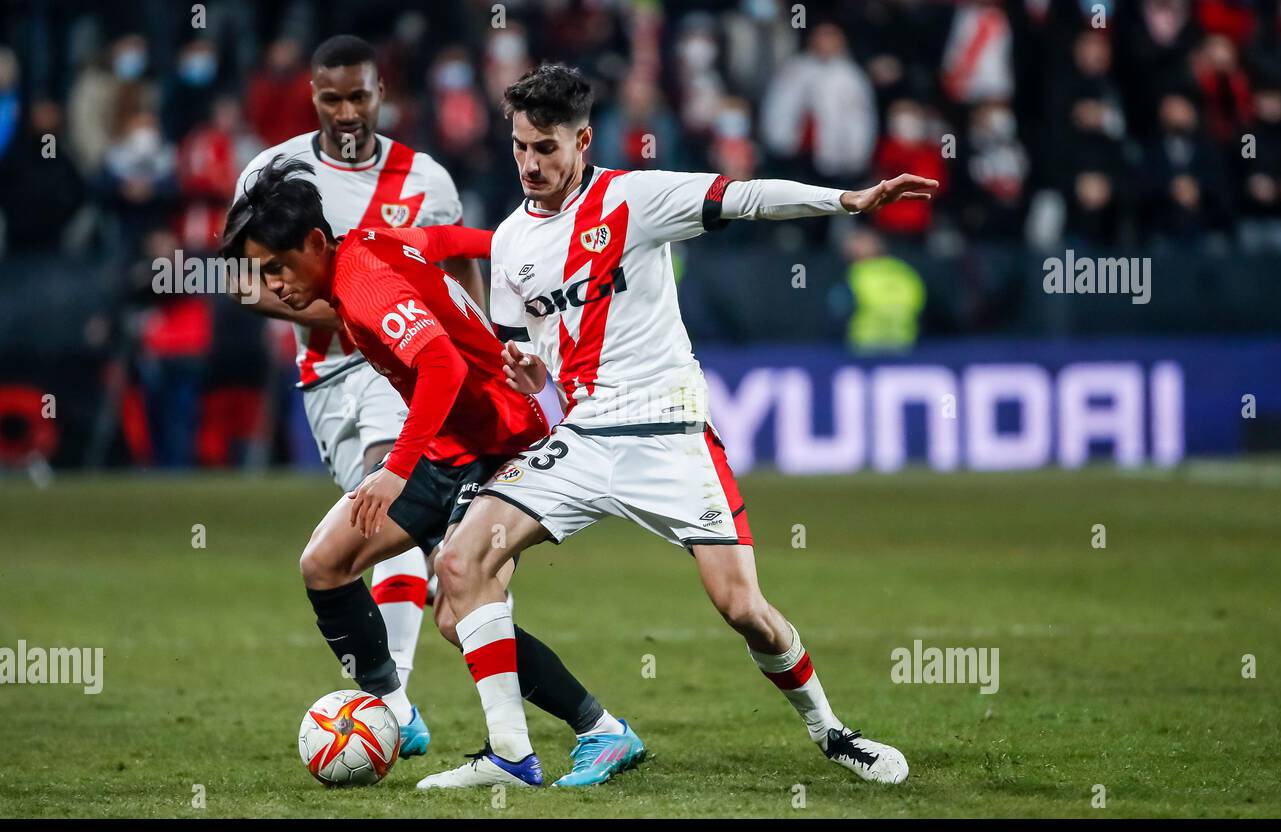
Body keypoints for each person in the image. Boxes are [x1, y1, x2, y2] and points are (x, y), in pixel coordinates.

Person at [423, 64, 937, 790]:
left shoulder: (635, 198)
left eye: (546, 147)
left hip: (668, 432)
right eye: (520, 148)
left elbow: (746, 197)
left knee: (743, 607)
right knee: (459, 566)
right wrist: (531, 382)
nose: (531, 164)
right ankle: (511, 753)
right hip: (582, 439)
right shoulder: (509, 244)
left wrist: (847, 199)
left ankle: (833, 732)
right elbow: (528, 363)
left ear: (583, 139)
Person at [228, 39, 640, 786]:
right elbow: (450, 240)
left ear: (316, 243)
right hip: (455, 443)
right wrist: (514, 241)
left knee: (459, 605)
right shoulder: (372, 243)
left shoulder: (363, 289)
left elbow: (443, 364)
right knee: (324, 563)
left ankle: (597, 731)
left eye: (278, 268)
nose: (272, 288)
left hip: (502, 438)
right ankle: (392, 706)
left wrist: (394, 469)